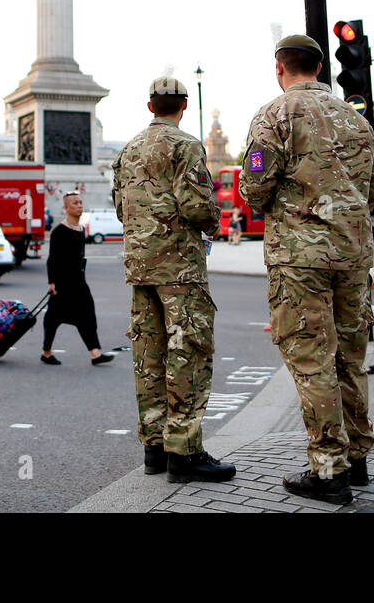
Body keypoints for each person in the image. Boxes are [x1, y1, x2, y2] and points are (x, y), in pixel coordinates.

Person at [240, 34, 374, 506]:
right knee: (349, 355)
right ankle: (358, 455)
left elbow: (255, 188)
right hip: (353, 254)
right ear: (320, 68)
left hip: (300, 258)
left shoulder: (273, 115)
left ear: (279, 68)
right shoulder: (357, 120)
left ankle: (328, 468)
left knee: (311, 359)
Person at [112, 76, 235, 484]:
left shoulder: (128, 149)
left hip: (140, 265)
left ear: (151, 107)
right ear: (182, 105)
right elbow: (197, 205)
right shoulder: (186, 146)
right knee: (189, 351)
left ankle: (154, 448)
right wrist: (214, 225)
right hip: (180, 267)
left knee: (149, 353)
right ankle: (184, 451)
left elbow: (119, 207)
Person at [41, 192, 115, 366]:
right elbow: (52, 259)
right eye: (75, 203)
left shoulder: (81, 230)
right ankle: (46, 352)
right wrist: (52, 282)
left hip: (80, 282)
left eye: (81, 202)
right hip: (63, 283)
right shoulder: (59, 231)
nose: (80, 205)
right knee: (52, 319)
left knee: (88, 316)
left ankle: (95, 353)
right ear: (66, 208)